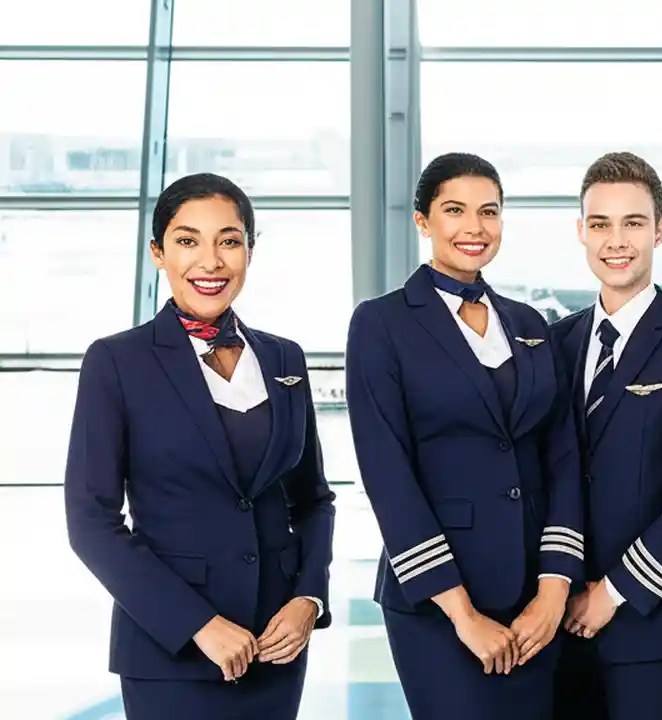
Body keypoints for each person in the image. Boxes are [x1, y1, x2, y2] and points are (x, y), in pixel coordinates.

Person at [64, 172, 336, 719]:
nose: (210, 262)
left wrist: (308, 599)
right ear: (158, 253)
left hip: (275, 648)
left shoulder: (285, 359)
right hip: (172, 652)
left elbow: (312, 500)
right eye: (188, 241)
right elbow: (90, 521)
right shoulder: (116, 362)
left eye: (229, 241)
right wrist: (198, 625)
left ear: (250, 251)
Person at [345, 152, 584, 719]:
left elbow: (564, 458)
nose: (474, 227)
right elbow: (387, 474)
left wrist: (553, 590)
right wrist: (462, 614)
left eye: (489, 211)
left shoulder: (529, 323)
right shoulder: (381, 324)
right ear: (423, 220)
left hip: (534, 594)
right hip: (437, 601)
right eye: (455, 210)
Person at [548, 152, 662, 720]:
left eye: (633, 223)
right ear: (581, 233)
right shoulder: (556, 343)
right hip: (560, 621)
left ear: (660, 229)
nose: (616, 240)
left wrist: (612, 592)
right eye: (600, 224)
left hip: (655, 622)